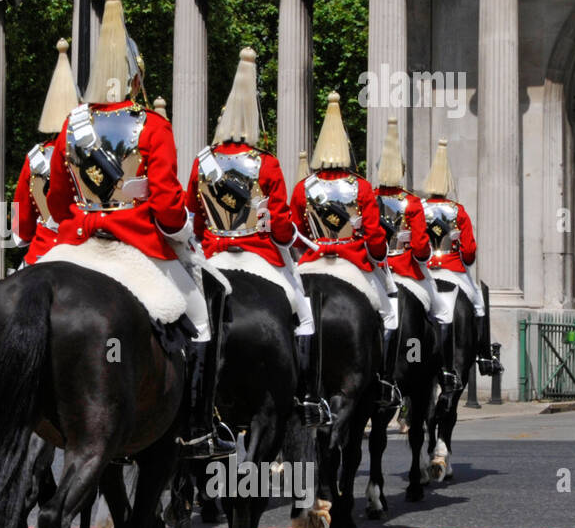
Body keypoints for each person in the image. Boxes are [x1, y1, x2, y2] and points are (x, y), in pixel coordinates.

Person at [45, 0, 234, 459]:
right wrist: (183, 232)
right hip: (138, 245)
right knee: (201, 319)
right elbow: (168, 206)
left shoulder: (71, 127)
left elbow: (58, 199)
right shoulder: (152, 125)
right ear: (135, 79)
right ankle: (197, 429)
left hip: (76, 242)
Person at [189, 48, 327, 426]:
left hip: (212, 255)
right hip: (261, 255)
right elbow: (280, 227)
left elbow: (194, 219)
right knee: (305, 317)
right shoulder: (266, 163)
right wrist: (283, 233)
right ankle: (306, 398)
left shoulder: (202, 162)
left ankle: (191, 402)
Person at [290, 91, 400, 407]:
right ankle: (384, 382)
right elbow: (376, 241)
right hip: (353, 264)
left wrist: (315, 245)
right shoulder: (361, 187)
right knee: (390, 316)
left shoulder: (302, 188)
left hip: (310, 263)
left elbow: (295, 235)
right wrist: (375, 254)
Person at [374, 118, 458, 390]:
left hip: (375, 272)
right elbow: (422, 251)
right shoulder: (411, 202)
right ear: (401, 171)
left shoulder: (368, 197)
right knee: (443, 312)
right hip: (406, 271)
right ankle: (445, 370)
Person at [420, 138, 501, 376]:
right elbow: (469, 253)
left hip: (424, 269)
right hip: (452, 268)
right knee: (478, 304)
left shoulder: (417, 208)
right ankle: (484, 357)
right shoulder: (458, 211)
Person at [13, 38, 79, 266]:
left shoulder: (34, 159)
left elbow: (20, 229)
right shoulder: (88, 153)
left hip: (40, 256)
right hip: (79, 251)